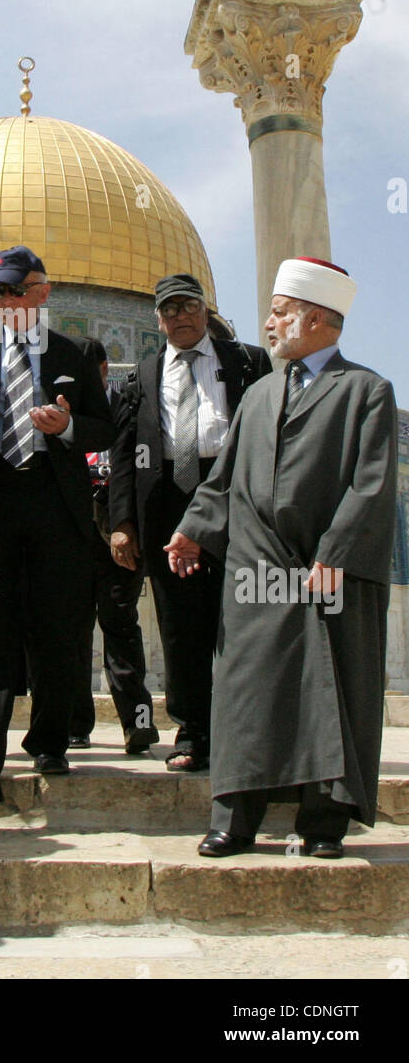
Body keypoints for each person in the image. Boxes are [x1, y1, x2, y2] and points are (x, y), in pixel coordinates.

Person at [166, 257, 397, 859]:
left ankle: (323, 823)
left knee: (330, 690)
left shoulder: (366, 391)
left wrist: (336, 555)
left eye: (280, 312)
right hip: (256, 569)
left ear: (316, 319)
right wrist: (194, 529)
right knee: (246, 692)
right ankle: (235, 820)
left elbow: (371, 484)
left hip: (325, 571)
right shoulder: (261, 393)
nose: (268, 324)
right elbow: (223, 479)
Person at [0, 246, 116, 818]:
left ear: (42, 291)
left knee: (58, 629)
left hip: (56, 507)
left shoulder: (74, 353)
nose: (5, 301)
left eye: (15, 290)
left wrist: (66, 428)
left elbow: (105, 429)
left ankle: (50, 741)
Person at [109, 274, 271, 772]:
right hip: (168, 508)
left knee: (245, 621)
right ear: (157, 319)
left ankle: (251, 731)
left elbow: (269, 433)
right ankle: (193, 732)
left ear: (206, 312)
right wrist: (122, 524)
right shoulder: (143, 374)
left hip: (232, 501)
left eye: (189, 306)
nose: (180, 316)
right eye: (170, 309)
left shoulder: (246, 362)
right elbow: (121, 453)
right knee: (181, 627)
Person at [69, 339, 158, 755]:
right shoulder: (58, 407)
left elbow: (134, 466)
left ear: (107, 369)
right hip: (71, 534)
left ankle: (136, 721)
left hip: (118, 534)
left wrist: (125, 524)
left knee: (120, 624)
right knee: (71, 628)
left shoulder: (131, 404)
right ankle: (74, 724)